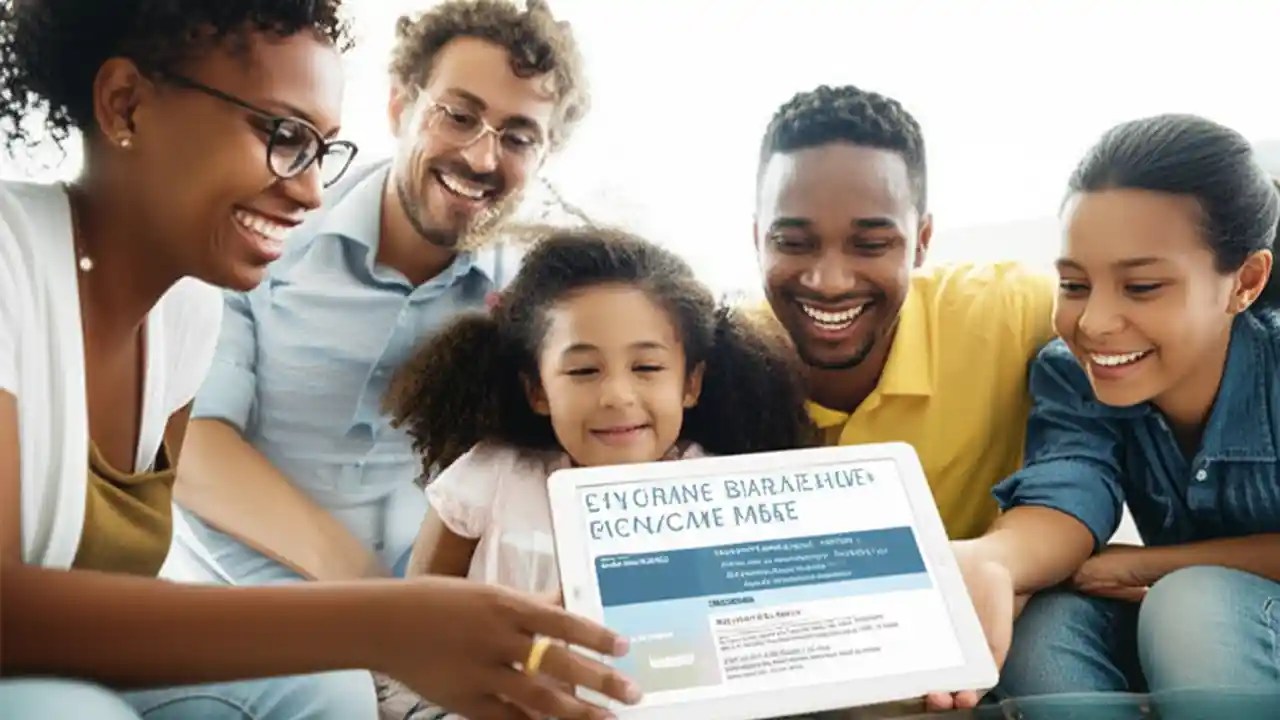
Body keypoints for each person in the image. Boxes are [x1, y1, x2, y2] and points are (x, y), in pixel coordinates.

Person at [0, 2, 639, 719]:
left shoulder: (186, 307)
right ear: (125, 104)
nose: (307, 190)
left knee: (330, 689)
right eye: (280, 135)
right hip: (262, 600)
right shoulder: (28, 262)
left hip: (382, 619)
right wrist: (382, 614)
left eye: (519, 136)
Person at [171, 0, 589, 586]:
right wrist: (369, 595)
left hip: (425, 609)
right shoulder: (267, 229)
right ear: (400, 106)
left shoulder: (535, 301)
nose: (481, 157)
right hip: (240, 598)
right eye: (459, 115)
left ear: (545, 156)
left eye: (519, 138)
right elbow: (193, 444)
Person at [377, 227, 812, 718]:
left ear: (691, 384)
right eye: (584, 371)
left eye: (647, 367)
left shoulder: (721, 491)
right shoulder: (492, 475)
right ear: (537, 389)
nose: (617, 396)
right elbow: (418, 618)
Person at [963, 115, 1280, 702]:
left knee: (1191, 602)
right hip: (1188, 634)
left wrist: (1148, 566)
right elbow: (1065, 494)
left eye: (1141, 287)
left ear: (1246, 282)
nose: (1093, 323)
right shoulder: (1070, 372)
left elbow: (1153, 579)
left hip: (1218, 624)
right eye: (1075, 285)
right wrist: (993, 562)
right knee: (1041, 625)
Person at [753, 85, 1058, 545]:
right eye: (793, 244)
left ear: (922, 240)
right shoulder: (719, 357)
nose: (830, 281)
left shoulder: (1008, 314)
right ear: (757, 238)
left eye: (871, 245)